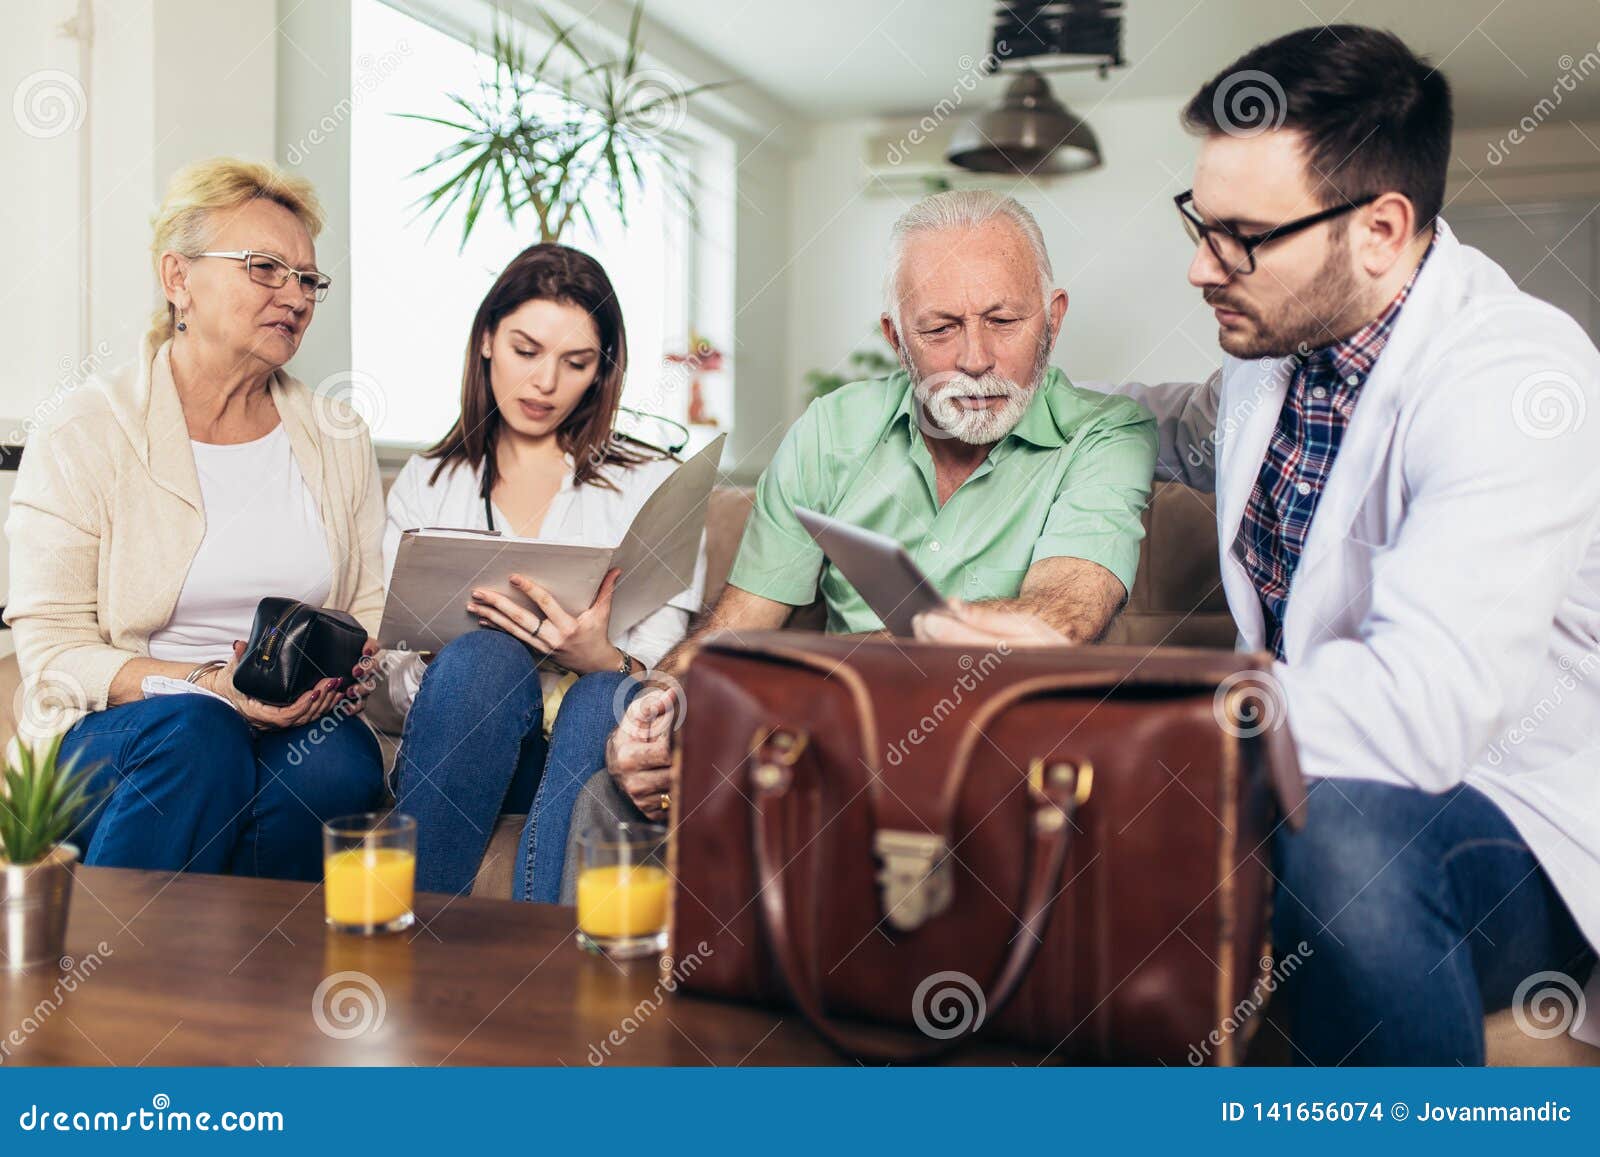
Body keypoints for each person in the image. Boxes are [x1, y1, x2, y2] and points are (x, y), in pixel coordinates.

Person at [914, 26, 1600, 1065]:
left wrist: (1124, 711)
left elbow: (1418, 718)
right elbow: (1173, 423)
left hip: (1512, 823)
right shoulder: (1279, 356)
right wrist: (1003, 406)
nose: (1200, 265)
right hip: (1306, 779)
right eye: (1199, 220)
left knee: (1347, 835)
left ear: (1379, 229)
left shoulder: (1514, 380)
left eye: (1240, 235)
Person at [602, 189, 1157, 824]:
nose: (975, 360)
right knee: (607, 793)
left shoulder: (1109, 434)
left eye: (1004, 322)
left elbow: (1059, 614)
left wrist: (829, 671)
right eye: (940, 328)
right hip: (836, 761)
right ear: (897, 338)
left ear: (1053, 318)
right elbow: (739, 622)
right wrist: (662, 697)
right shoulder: (831, 431)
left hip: (1012, 767)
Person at [4, 157, 386, 881]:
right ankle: (112, 983)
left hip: (288, 723)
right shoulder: (85, 428)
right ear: (178, 278)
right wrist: (213, 683)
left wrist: (346, 672)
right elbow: (53, 653)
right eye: (265, 268)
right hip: (124, 729)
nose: (296, 297)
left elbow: (366, 610)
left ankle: (254, 983)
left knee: (336, 766)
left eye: (308, 279)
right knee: (199, 733)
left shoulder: (339, 435)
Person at [380, 243, 705, 902]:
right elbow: (385, 682)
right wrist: (434, 661)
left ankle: (547, 968)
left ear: (601, 371)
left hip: (591, 746)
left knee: (598, 696)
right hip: (471, 740)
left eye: (576, 362)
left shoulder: (652, 483)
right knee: (482, 660)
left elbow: (672, 673)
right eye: (527, 351)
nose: (545, 383)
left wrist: (602, 658)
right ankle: (414, 939)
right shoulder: (429, 482)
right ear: (486, 340)